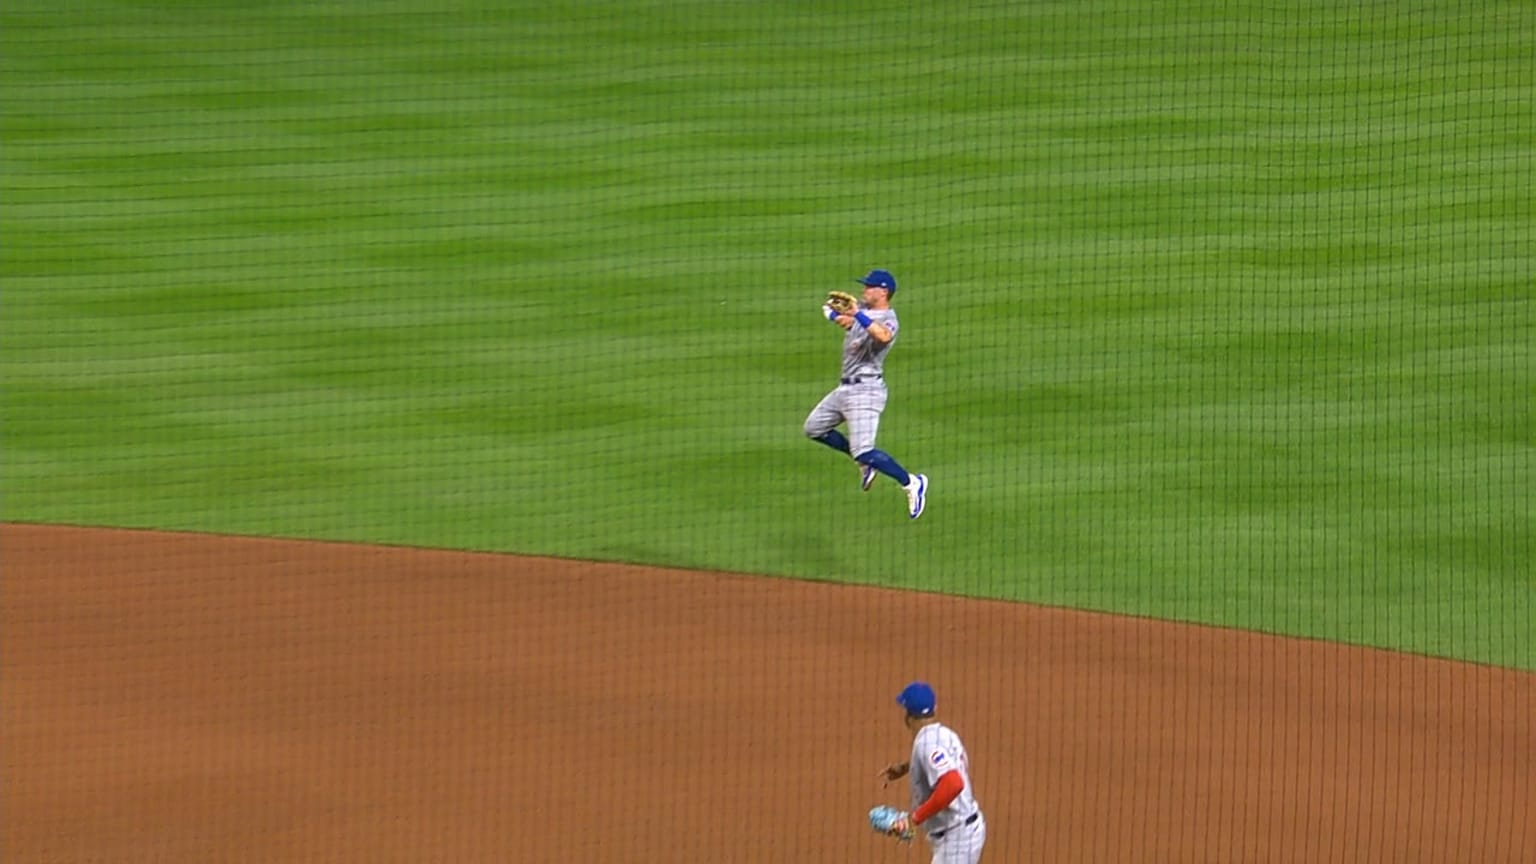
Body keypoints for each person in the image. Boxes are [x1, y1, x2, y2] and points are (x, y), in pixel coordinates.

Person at [803, 268, 928, 520]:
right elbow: (845, 320)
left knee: (864, 448)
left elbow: (882, 335)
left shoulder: (888, 318)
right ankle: (865, 463)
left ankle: (911, 482)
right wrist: (830, 312)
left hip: (866, 391)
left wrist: (857, 313)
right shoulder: (863, 312)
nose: (864, 290)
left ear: (883, 291)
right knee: (814, 428)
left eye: (869, 287)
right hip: (845, 388)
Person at [878, 681, 986, 862]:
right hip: (963, 830)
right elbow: (941, 762)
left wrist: (913, 819)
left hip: (956, 840)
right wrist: (906, 767)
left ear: (908, 717)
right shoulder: (945, 734)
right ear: (934, 708)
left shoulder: (925, 744)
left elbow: (953, 784)